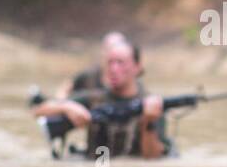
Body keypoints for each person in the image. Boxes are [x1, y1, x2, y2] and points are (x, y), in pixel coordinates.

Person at [33, 39, 169, 159]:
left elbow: (152, 159)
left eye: (121, 63)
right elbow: (39, 111)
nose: (114, 68)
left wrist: (148, 123)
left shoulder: (152, 104)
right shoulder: (94, 98)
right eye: (110, 63)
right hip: (98, 166)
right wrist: (67, 107)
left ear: (137, 67)